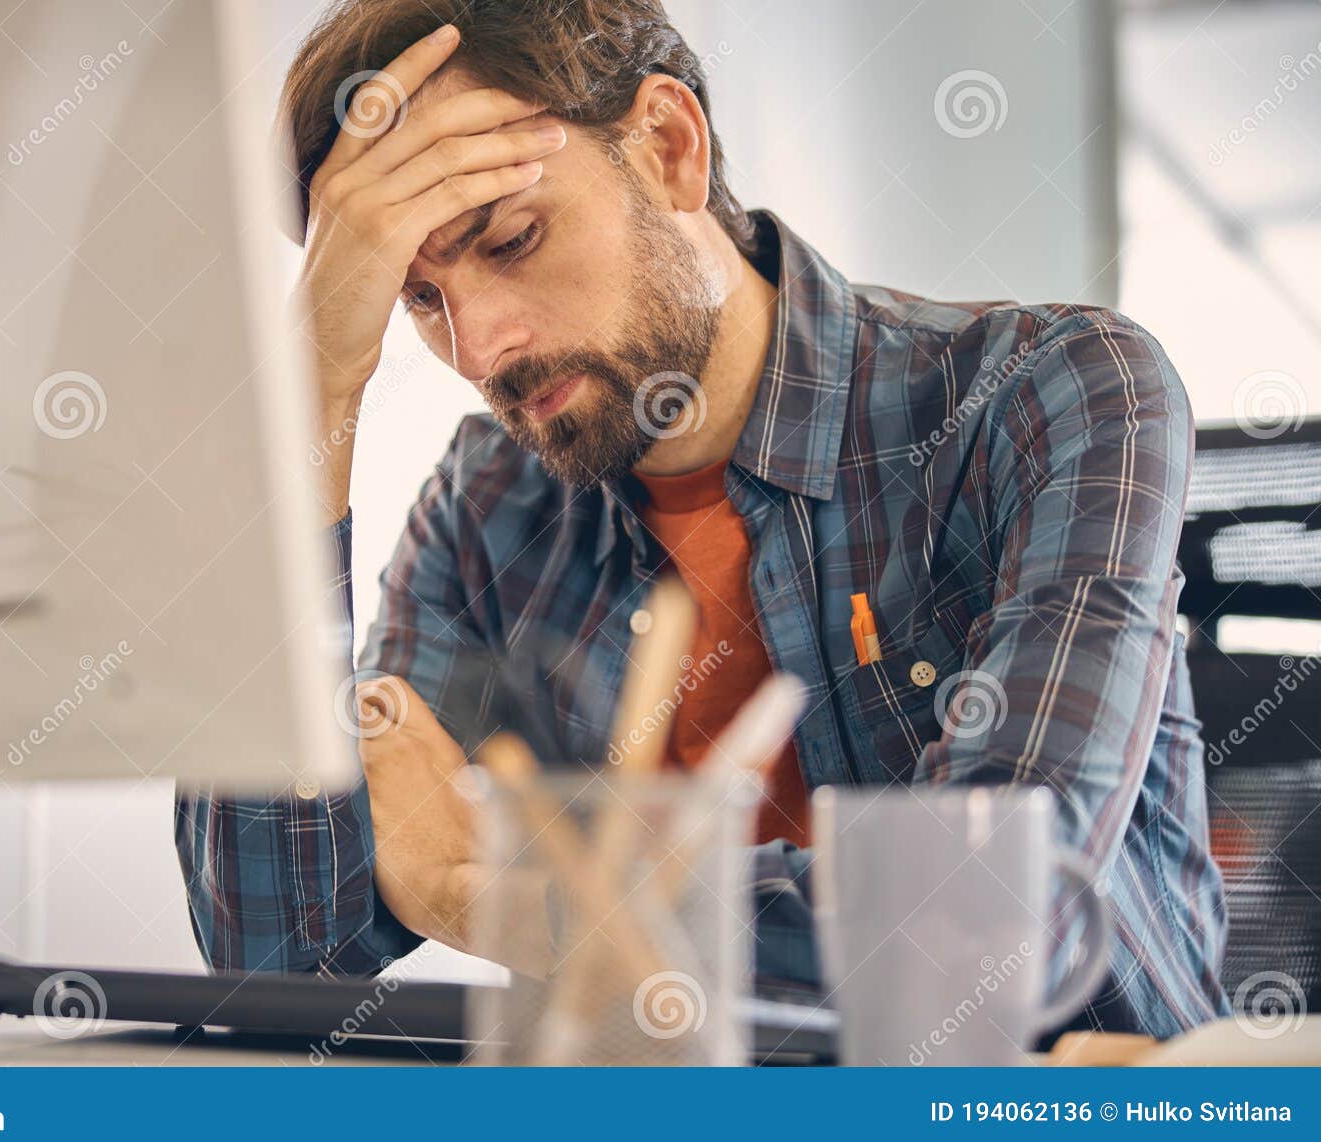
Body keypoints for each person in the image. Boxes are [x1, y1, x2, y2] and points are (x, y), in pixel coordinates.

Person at [175, 0, 1228, 1038]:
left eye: (511, 239)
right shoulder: (487, 502)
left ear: (670, 147)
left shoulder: (1051, 393)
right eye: (416, 297)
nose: (480, 347)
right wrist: (313, 386)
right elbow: (283, 950)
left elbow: (990, 925)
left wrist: (484, 889)